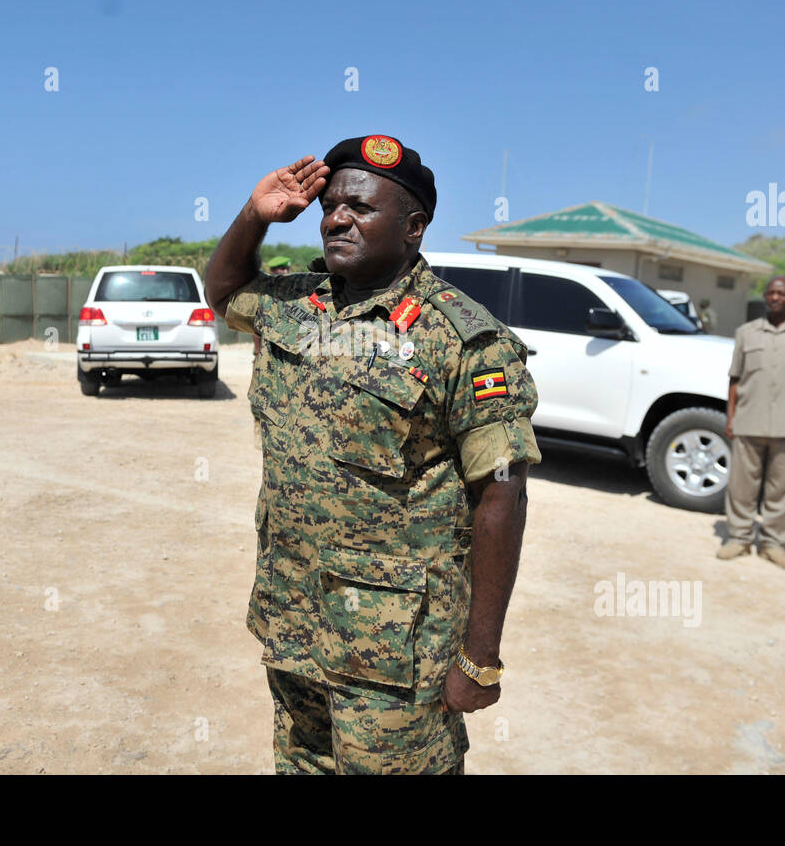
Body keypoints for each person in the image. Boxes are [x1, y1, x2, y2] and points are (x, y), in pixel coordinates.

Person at [205, 135, 541, 774]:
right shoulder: (294, 306)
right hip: (293, 613)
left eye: (360, 207)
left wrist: (479, 656)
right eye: (330, 205)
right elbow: (224, 293)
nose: (336, 218)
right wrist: (254, 216)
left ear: (413, 228)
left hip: (393, 648)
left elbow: (502, 493)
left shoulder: (462, 340)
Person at [719, 275, 785, 570]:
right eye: (771, 293)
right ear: (765, 296)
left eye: (782, 293)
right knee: (741, 486)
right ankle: (738, 538)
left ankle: (773, 543)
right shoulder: (745, 333)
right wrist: (731, 417)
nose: (775, 297)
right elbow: (735, 379)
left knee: (784, 489)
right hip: (748, 421)